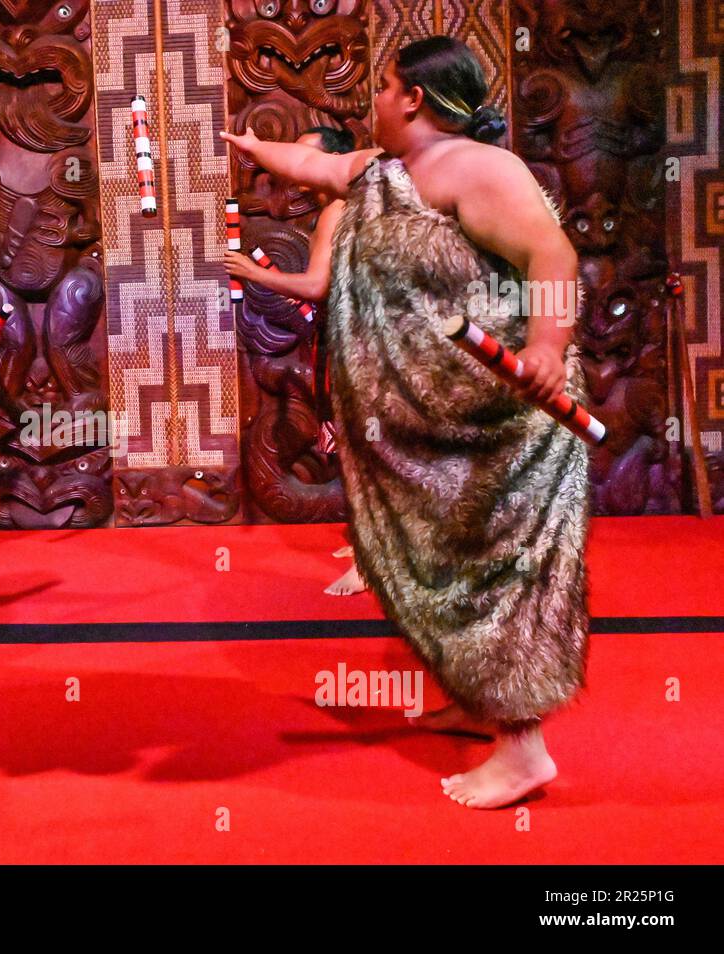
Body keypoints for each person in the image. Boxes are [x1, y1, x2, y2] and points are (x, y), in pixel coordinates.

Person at [222, 35, 589, 809]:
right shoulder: (383, 173)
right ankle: (478, 700)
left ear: (413, 98)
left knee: (493, 580)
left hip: (496, 423)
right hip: (422, 430)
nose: (374, 101)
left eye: (384, 87)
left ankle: (523, 751)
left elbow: (552, 256)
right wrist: (252, 147)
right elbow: (317, 166)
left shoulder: (480, 170)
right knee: (432, 571)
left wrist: (550, 343)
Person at [220, 126, 367, 597]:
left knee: (364, 450)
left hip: (358, 342)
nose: (296, 172)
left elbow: (316, 287)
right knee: (358, 446)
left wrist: (251, 273)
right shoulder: (359, 207)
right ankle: (373, 543)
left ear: (338, 160)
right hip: (367, 337)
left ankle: (372, 560)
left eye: (305, 159)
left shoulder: (337, 210)